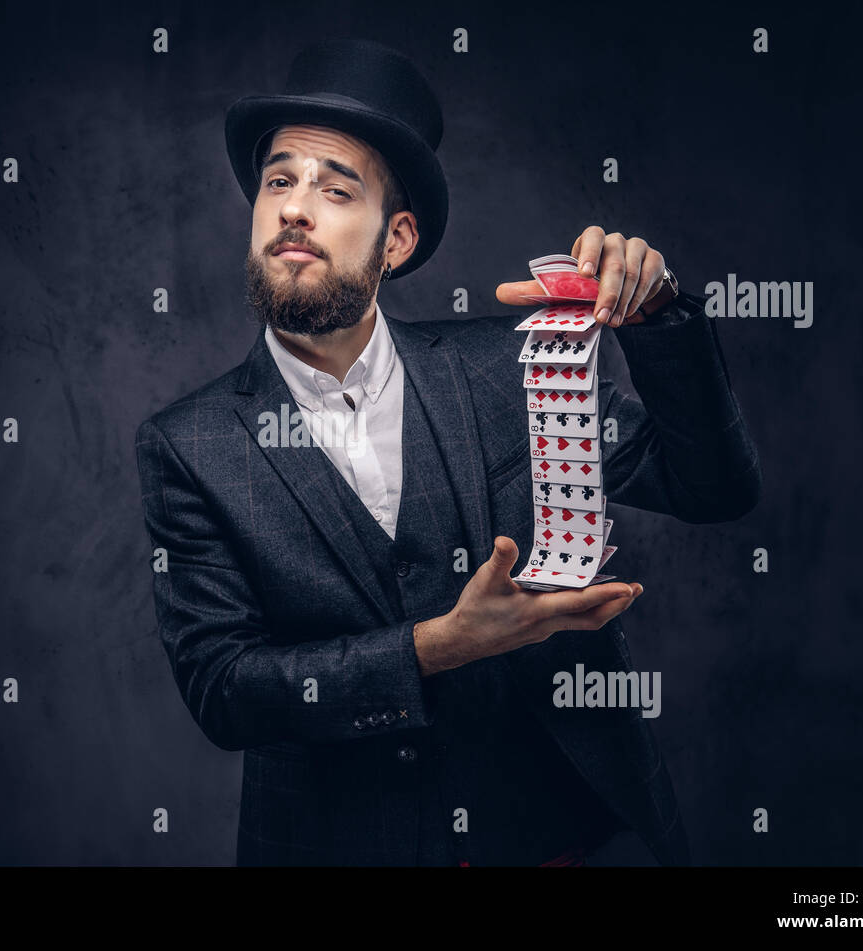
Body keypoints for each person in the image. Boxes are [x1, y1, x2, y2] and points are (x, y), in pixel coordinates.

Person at [135, 37, 762, 866]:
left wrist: (657, 323)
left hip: (560, 839)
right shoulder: (189, 444)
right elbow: (226, 692)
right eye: (279, 180)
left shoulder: (508, 368)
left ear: (395, 241)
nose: (294, 207)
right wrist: (444, 644)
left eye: (335, 188)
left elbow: (711, 487)